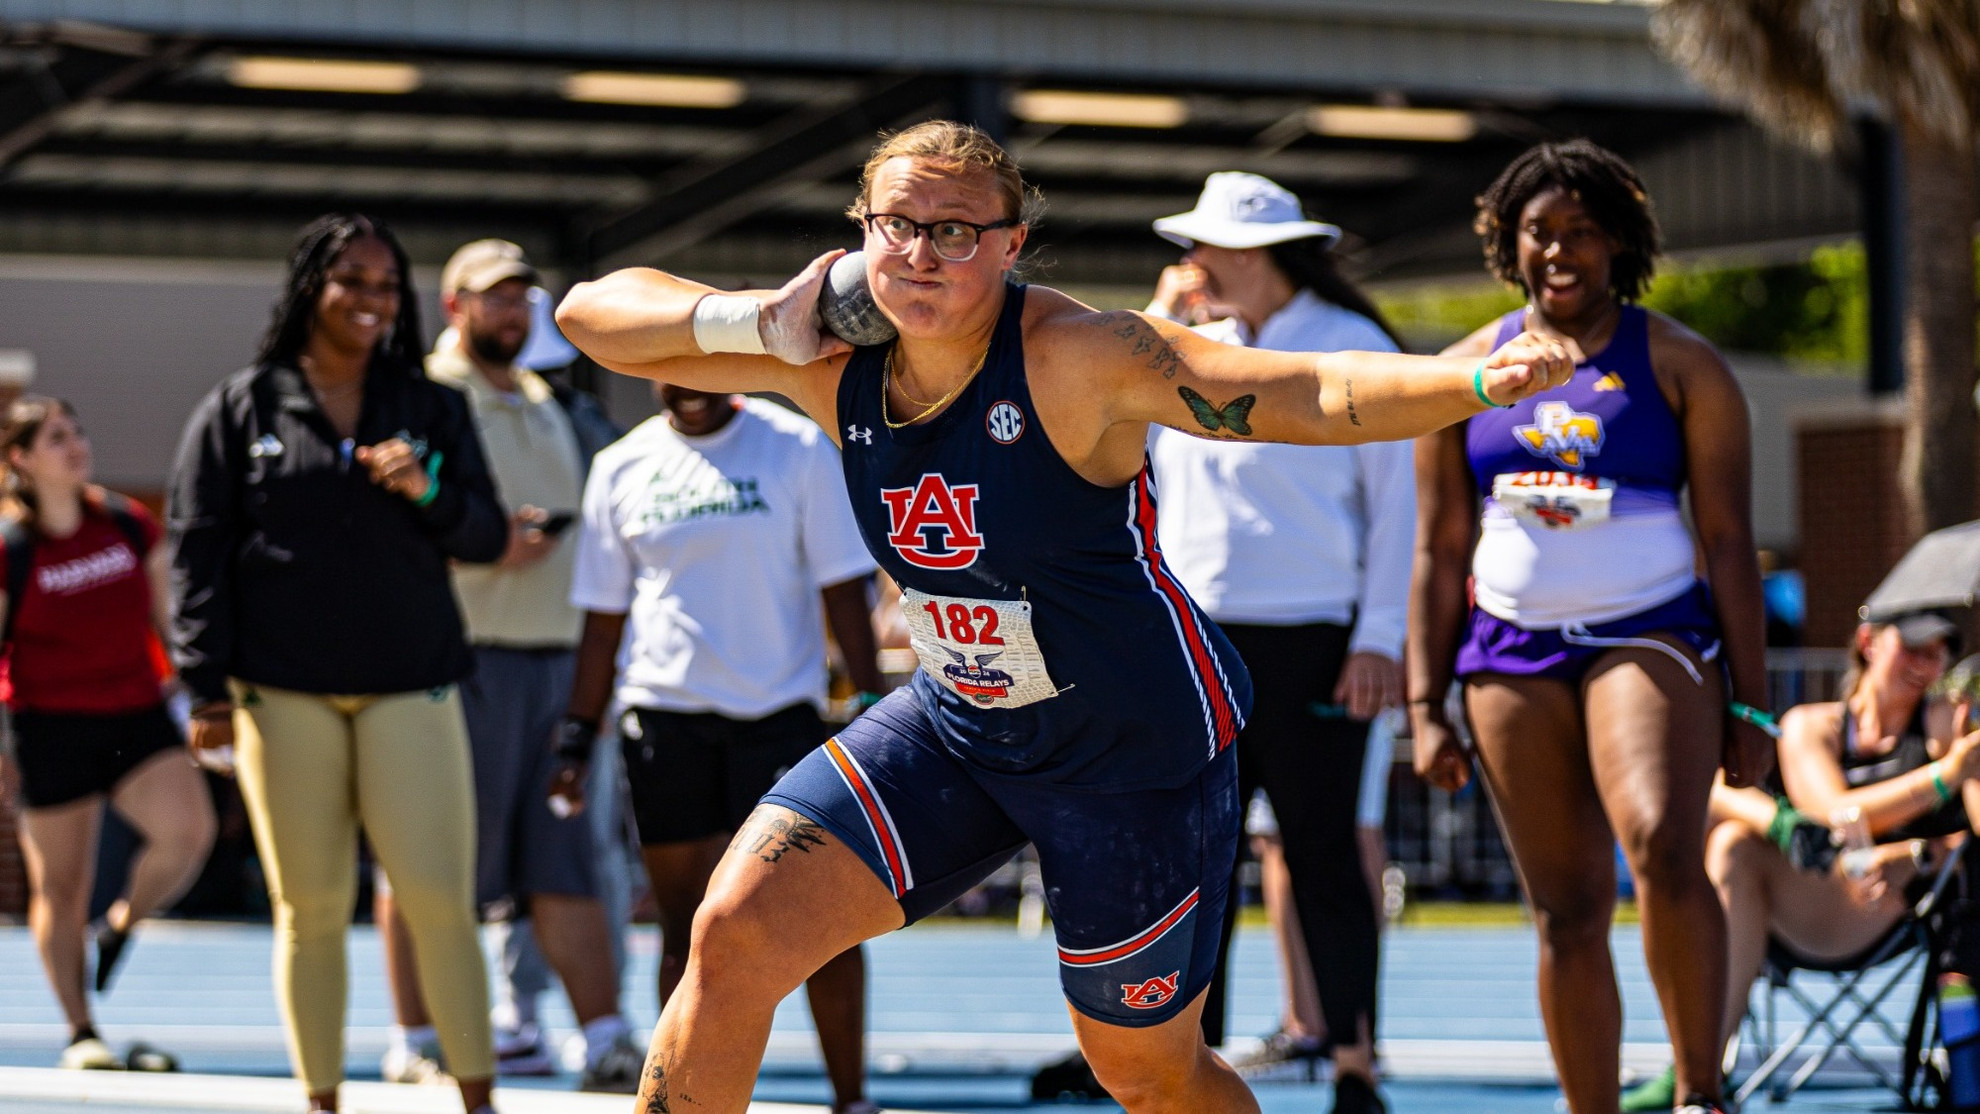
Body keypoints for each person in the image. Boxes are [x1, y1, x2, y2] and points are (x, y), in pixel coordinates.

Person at [554, 119, 1574, 1114]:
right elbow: (589, 315)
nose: (921, 251)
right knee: (732, 933)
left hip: (1130, 754)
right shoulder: (825, 363)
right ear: (859, 230)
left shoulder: (1080, 355)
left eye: (957, 229)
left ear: (1011, 245)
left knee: (1146, 1073)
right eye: (898, 223)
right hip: (959, 724)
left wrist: (1473, 379)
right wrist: (759, 318)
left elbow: (1309, 387)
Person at [1407, 139, 1771, 1114]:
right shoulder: (1463, 371)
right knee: (1564, 909)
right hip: (1508, 650)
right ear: (1509, 244)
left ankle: (1698, 1092)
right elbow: (1440, 549)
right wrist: (1424, 702)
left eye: (1582, 232)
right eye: (1540, 232)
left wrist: (1755, 706)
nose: (1560, 251)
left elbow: (1731, 543)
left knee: (1657, 839)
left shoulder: (1682, 364)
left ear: (1620, 243)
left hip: (1647, 633)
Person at [168, 213, 507, 1114]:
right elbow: (196, 553)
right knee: (308, 910)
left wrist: (426, 489)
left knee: (440, 901)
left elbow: (485, 530)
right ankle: (321, 1102)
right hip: (279, 692)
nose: (371, 298)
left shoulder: (430, 402)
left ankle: (480, 1101)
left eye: (387, 284)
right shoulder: (240, 406)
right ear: (310, 286)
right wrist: (204, 685)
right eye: (351, 279)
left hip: (411, 680)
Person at [1144, 171, 1412, 1114]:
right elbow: (1108, 431)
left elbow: (1398, 511)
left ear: (1252, 254)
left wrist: (1380, 635)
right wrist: (1153, 319)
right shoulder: (1187, 349)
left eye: (1205, 247)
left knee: (1327, 855)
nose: (1191, 263)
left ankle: (1354, 1064)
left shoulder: (1356, 347)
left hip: (1317, 641)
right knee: (1196, 862)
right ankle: (1186, 1065)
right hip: (1199, 642)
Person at [565, 379, 886, 1114]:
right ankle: (682, 1098)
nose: (690, 388)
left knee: (821, 921)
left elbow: (843, 588)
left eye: (706, 372)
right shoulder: (622, 464)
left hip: (778, 720)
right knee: (687, 928)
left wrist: (870, 704)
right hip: (665, 720)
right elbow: (604, 620)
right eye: (674, 373)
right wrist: (575, 736)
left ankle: (852, 1099)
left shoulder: (797, 447)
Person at [366, 238, 640, 1092]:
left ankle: (604, 1040)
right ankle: (415, 1037)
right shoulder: (419, 398)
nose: (512, 313)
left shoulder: (547, 401)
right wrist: (483, 544)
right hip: (459, 664)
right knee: (428, 858)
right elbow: (384, 530)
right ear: (453, 307)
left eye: (522, 298)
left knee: (567, 861)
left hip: (556, 666)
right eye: (494, 299)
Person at [1622, 613, 1972, 1109]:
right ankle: (1696, 1074)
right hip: (1809, 898)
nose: (1925, 663)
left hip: (1894, 910)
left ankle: (1693, 1075)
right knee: (1732, 843)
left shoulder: (1942, 723)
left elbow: (1967, 836)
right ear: (1869, 641)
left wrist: (1917, 847)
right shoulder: (1811, 724)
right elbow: (1832, 812)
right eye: (1912, 646)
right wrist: (1942, 777)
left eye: (1938, 652)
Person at [0, 397, 215, 1072]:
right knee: (60, 887)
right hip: (49, 725)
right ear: (21, 459)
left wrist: (200, 694)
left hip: (134, 716)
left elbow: (170, 622)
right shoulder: (11, 547)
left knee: (188, 833)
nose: (75, 446)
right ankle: (80, 1030)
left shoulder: (124, 521)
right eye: (56, 438)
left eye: (78, 432)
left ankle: (120, 923)